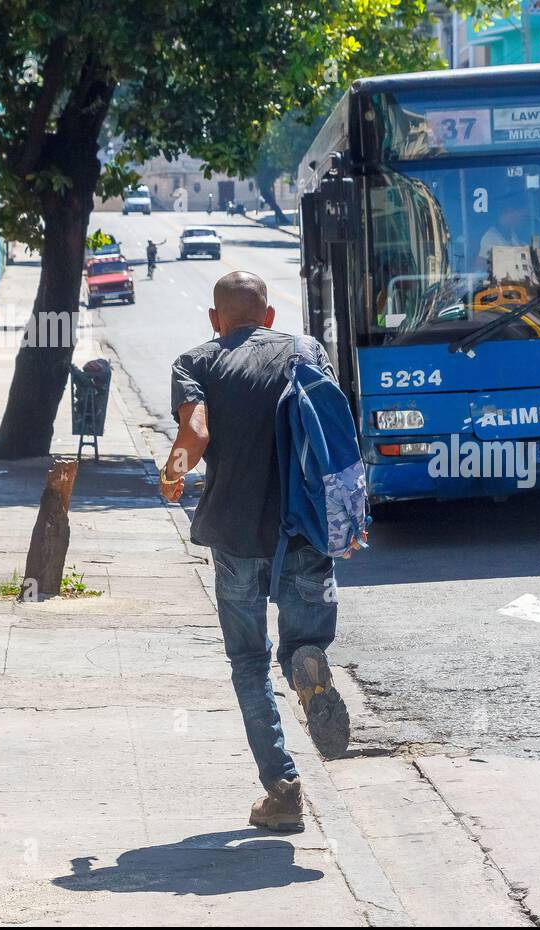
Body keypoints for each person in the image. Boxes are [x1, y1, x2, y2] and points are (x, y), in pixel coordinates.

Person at [161, 271, 350, 832]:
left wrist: (173, 476)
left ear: (215, 318)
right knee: (302, 639)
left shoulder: (196, 361)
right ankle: (306, 664)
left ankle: (283, 788)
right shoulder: (305, 349)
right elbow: (332, 433)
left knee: (247, 661)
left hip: (236, 535)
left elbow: (194, 434)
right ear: (268, 316)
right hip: (306, 527)